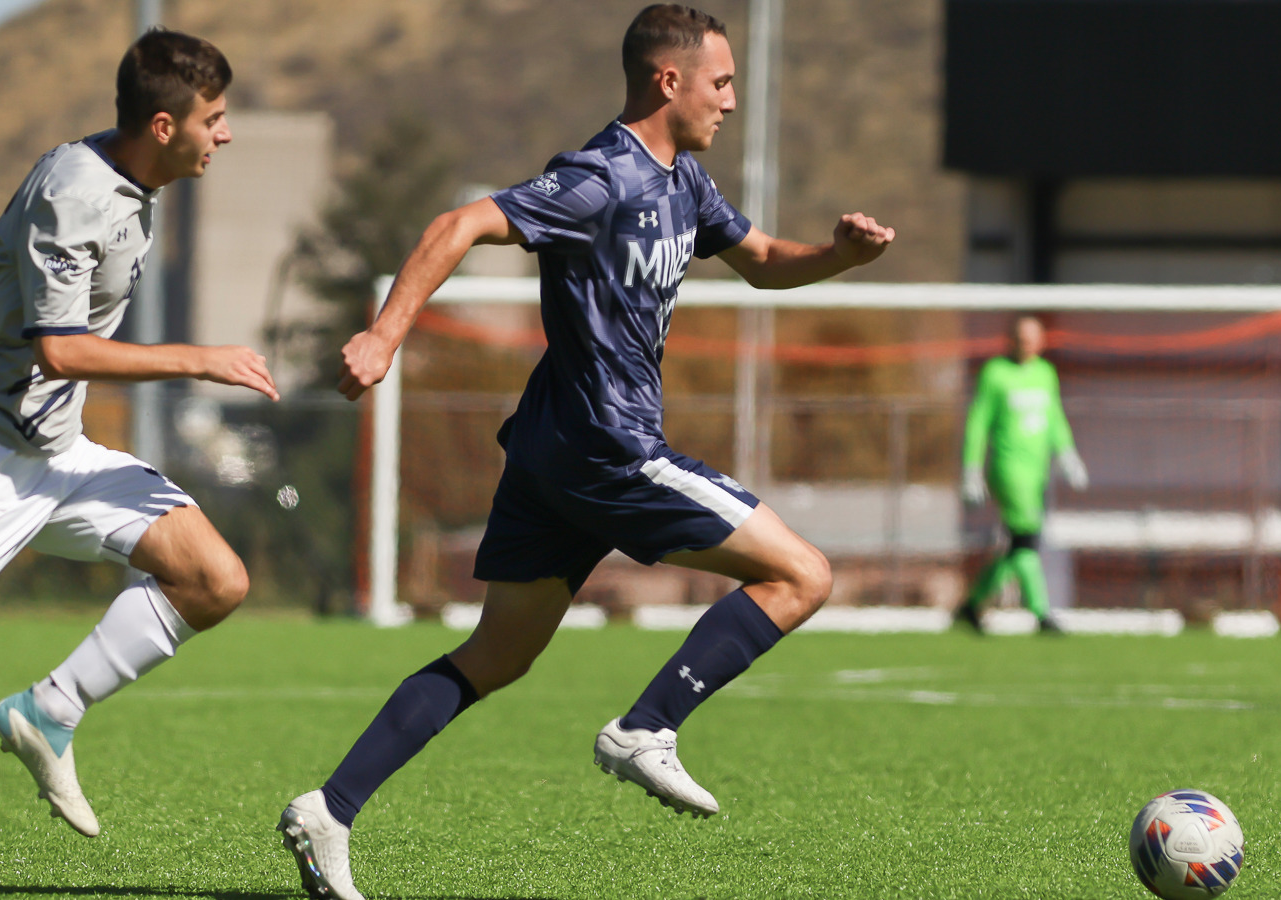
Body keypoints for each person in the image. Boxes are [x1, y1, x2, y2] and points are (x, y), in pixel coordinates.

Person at [275, 5, 894, 898]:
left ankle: (329, 809)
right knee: (803, 575)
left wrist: (837, 256)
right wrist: (383, 338)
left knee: (497, 656)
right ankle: (648, 727)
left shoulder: (687, 183)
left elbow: (760, 259)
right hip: (610, 448)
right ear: (667, 81)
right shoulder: (600, 177)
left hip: (551, 458)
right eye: (720, 83)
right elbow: (455, 226)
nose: (730, 100)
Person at [0, 30, 277, 837]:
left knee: (215, 579)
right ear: (164, 125)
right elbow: (61, 347)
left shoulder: (129, 179)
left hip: (58, 450)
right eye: (213, 118)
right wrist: (200, 360)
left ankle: (50, 711)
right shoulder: (76, 190)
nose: (226, 132)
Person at [956, 315, 1086, 634]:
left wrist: (1068, 452)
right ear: (1010, 339)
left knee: (1017, 544)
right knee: (1027, 541)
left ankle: (972, 605)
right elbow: (978, 422)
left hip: (1037, 472)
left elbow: (1054, 416)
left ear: (1041, 341)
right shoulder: (996, 373)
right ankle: (1042, 614)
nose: (1025, 344)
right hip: (1008, 469)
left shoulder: (1045, 373)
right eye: (1020, 338)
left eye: (1032, 339)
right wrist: (971, 468)